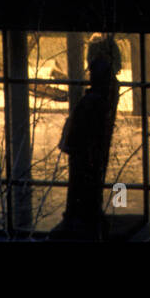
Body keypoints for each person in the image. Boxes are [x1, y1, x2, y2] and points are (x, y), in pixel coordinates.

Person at [53, 34, 122, 238]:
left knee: (80, 190)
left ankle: (79, 221)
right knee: (89, 190)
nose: (89, 69)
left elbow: (79, 133)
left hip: (85, 154)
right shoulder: (109, 91)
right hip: (92, 153)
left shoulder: (93, 100)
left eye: (92, 66)